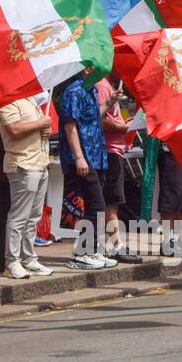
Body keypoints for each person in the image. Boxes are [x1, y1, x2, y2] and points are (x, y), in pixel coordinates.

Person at [57, 71, 117, 271]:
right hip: (83, 157)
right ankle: (82, 253)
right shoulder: (73, 90)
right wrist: (79, 157)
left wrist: (108, 103)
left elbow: (92, 117)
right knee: (96, 204)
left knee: (97, 205)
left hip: (96, 155)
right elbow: (70, 125)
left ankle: (92, 249)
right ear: (87, 69)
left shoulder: (90, 89)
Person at [0, 93, 57, 275]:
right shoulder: (7, 101)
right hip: (23, 164)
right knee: (19, 216)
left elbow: (39, 127)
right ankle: (12, 261)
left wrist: (45, 130)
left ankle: (28, 258)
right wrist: (41, 124)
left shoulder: (30, 100)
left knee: (34, 216)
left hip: (40, 164)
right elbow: (13, 129)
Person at [96, 74, 141, 263]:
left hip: (115, 149)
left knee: (112, 200)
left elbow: (111, 118)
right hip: (108, 149)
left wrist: (125, 124)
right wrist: (124, 128)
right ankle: (115, 244)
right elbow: (101, 120)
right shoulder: (102, 86)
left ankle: (111, 243)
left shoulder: (109, 86)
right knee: (111, 200)